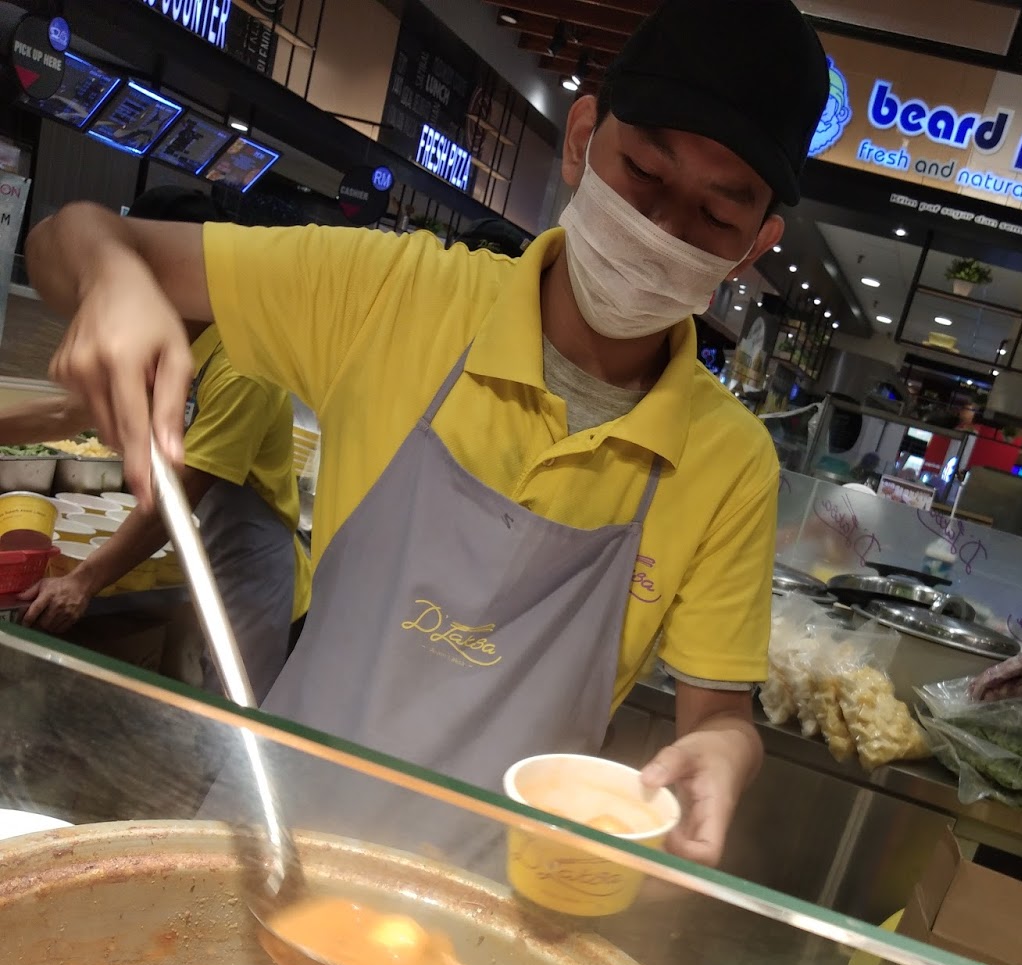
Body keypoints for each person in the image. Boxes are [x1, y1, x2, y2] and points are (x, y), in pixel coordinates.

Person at [19, 0, 831, 865]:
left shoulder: (730, 461)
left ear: (753, 248)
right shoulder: (398, 294)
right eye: (644, 173)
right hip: (277, 842)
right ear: (582, 138)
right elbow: (70, 239)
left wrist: (725, 751)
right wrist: (113, 277)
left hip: (493, 899)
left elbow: (718, 714)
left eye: (715, 218)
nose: (660, 232)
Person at [14, 186, 310, 702]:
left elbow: (178, 495)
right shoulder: (174, 342)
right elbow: (68, 414)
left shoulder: (244, 366)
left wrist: (83, 581)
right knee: (206, 690)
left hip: (258, 569)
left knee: (237, 709)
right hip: (213, 549)